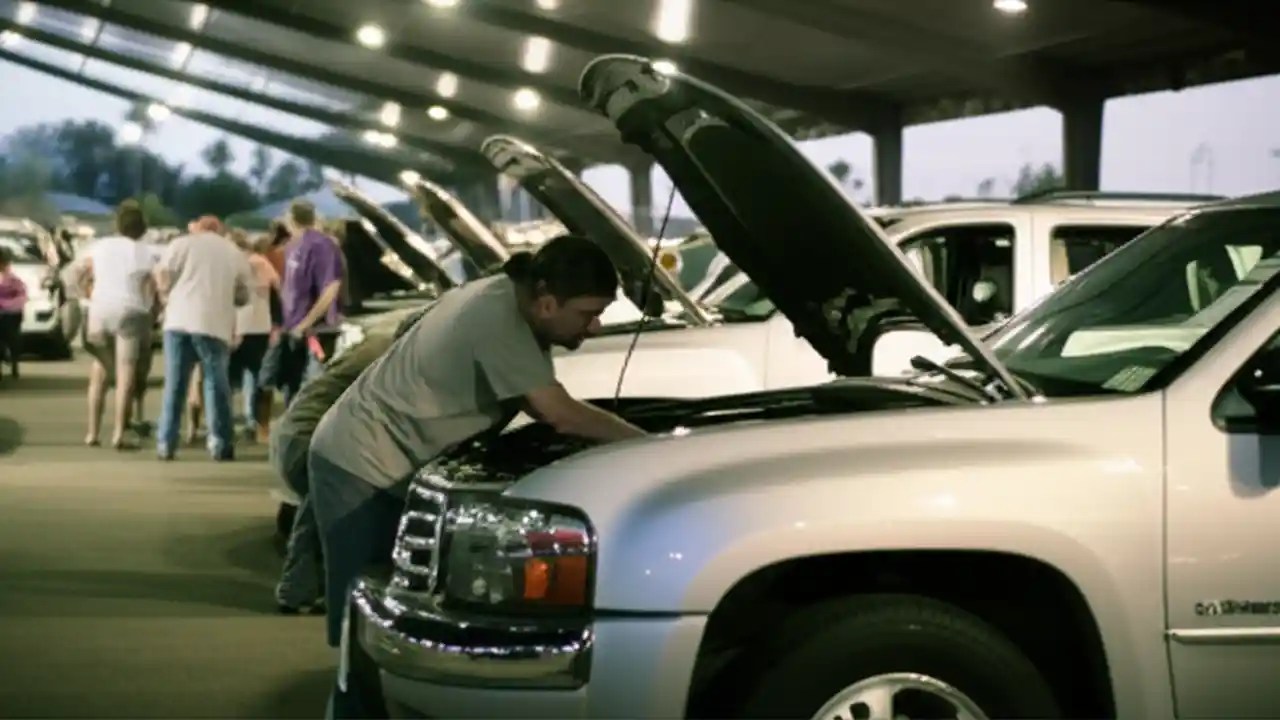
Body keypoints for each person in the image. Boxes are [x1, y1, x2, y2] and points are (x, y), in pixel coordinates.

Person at [308, 234, 648, 717]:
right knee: (366, 632)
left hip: (386, 458)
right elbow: (559, 413)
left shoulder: (499, 293)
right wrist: (647, 446)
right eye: (587, 314)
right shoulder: (497, 318)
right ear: (547, 302)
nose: (592, 328)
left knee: (380, 620)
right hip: (363, 464)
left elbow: (412, 328)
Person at [274, 306, 428, 615]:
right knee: (331, 492)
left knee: (325, 499)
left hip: (295, 434)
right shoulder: (392, 359)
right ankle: (298, 587)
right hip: (308, 440)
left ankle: (305, 586)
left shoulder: (380, 345)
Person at [154, 215, 252, 461]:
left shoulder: (181, 244)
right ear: (219, 230)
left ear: (198, 228)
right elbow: (243, 295)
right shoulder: (234, 253)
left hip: (178, 321)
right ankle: (220, 442)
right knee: (215, 384)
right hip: (213, 324)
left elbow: (163, 276)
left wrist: (166, 296)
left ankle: (166, 442)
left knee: (175, 383)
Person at [71, 200, 160, 449]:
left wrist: (85, 294)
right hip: (130, 312)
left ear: (118, 225)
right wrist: (154, 309)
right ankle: (120, 432)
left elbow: (80, 272)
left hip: (99, 310)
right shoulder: (145, 251)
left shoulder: (100, 246)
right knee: (126, 372)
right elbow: (152, 284)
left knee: (99, 371)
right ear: (142, 228)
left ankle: (93, 432)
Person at [278, 200, 344, 405]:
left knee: (314, 387)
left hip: (316, 332)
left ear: (290, 219)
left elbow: (331, 287)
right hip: (294, 329)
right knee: (292, 385)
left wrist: (305, 324)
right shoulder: (292, 246)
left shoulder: (321, 245)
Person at [230, 231, 280, 443]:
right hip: (260, 327)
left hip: (235, 327)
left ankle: (231, 422)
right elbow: (279, 288)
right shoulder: (262, 263)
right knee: (256, 377)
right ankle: (255, 422)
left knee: (230, 380)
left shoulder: (231, 264)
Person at [0, 247, 27, 382]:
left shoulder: (13, 280)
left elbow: (21, 295)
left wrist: (10, 305)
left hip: (10, 313)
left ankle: (14, 362)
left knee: (12, 337)